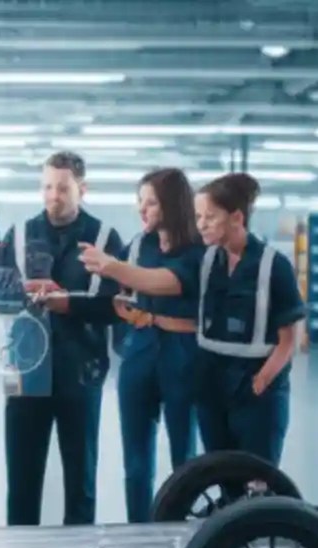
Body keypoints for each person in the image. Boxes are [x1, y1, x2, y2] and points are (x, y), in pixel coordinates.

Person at [80, 172, 305, 466]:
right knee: (217, 471)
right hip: (211, 379)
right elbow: (147, 286)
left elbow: (290, 335)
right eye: (198, 216)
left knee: (257, 475)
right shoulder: (208, 259)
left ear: (236, 218)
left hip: (254, 379)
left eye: (209, 217)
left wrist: (263, 379)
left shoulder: (272, 265)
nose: (201, 225)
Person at [2, 150, 125, 526]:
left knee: (80, 475)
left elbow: (115, 305)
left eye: (62, 188)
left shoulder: (105, 238)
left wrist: (67, 303)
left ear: (81, 189)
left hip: (82, 368)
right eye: (47, 187)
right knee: (21, 476)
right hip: (27, 368)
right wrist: (21, 293)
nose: (53, 196)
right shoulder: (19, 235)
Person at [111, 168, 204, 522]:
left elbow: (169, 282)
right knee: (136, 460)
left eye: (150, 203)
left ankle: (182, 528)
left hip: (183, 352)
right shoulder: (138, 245)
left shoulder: (200, 251)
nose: (142, 210)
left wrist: (115, 268)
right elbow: (117, 292)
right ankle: (138, 528)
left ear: (172, 205)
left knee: (184, 455)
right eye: (140, 202)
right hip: (141, 351)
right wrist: (126, 311)